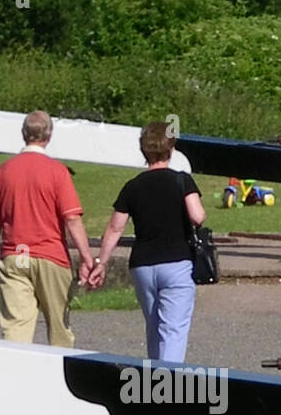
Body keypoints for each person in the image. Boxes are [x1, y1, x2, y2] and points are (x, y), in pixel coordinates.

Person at [89, 122, 207, 362]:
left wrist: (101, 262)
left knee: (154, 328)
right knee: (173, 330)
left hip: (142, 265)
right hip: (176, 262)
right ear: (171, 150)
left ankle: (153, 384)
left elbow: (115, 228)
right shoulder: (182, 181)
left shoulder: (132, 186)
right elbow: (197, 216)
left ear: (144, 152)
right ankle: (168, 390)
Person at [0, 110, 95, 346]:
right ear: (49, 135)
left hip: (16, 254)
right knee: (59, 327)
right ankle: (59, 375)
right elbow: (71, 219)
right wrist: (87, 258)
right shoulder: (57, 172)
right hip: (50, 256)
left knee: (15, 328)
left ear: (23, 134)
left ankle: (16, 375)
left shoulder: (4, 171)